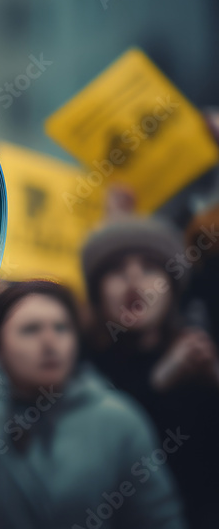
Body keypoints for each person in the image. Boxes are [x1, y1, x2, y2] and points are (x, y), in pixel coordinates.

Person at [0, 280, 185, 529]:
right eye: (30, 329)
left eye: (62, 328)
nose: (50, 342)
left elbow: (159, 518)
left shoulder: (118, 420)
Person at [82, 218, 219, 528]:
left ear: (172, 290)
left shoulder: (200, 359)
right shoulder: (80, 368)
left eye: (149, 268)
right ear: (97, 294)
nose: (134, 280)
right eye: (117, 270)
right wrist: (158, 382)